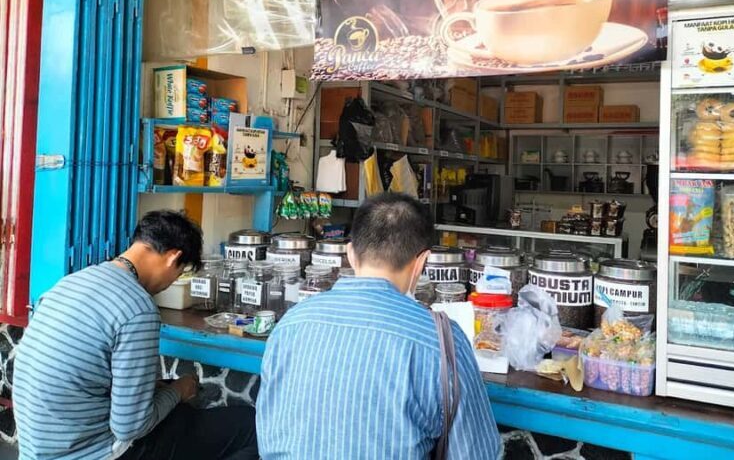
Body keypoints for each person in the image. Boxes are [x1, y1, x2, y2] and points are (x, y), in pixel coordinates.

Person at [256, 192, 500, 459]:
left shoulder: (292, 322)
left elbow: (269, 430)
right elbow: (477, 453)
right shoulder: (440, 340)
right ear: (421, 263)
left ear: (350, 253)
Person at [14, 210, 259, 460]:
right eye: (181, 271)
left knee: (182, 418)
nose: (172, 281)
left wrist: (159, 390)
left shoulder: (73, 281)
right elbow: (130, 427)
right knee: (252, 427)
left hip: (38, 450)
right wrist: (179, 390)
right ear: (173, 257)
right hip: (94, 453)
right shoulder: (137, 308)